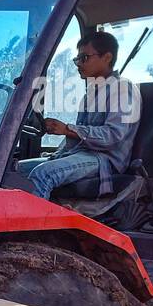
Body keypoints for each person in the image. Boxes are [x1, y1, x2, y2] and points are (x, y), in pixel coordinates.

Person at [23, 31, 140, 199]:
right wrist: (57, 154)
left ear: (107, 57)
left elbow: (113, 136)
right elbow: (79, 137)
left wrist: (67, 129)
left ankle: (30, 225)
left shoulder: (122, 89)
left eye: (84, 58)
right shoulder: (90, 95)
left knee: (43, 174)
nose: (78, 64)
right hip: (82, 154)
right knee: (16, 170)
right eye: (77, 59)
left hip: (104, 160)